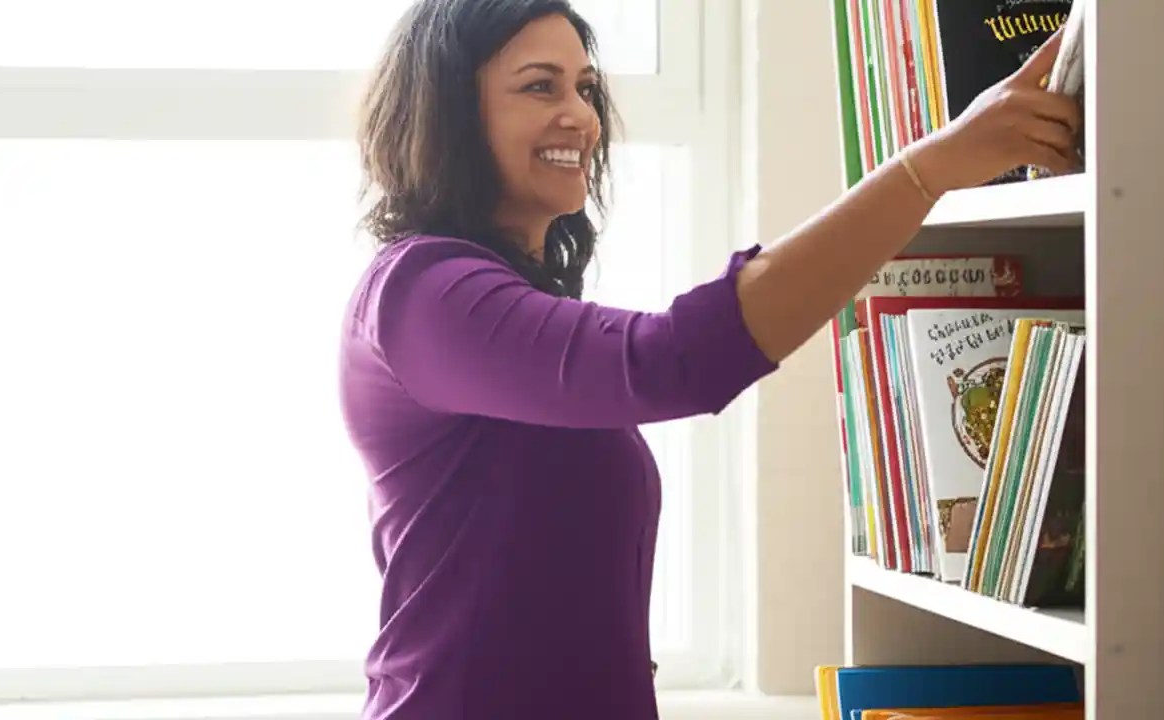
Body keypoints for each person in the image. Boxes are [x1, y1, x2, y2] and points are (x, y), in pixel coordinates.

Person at [338, 1, 1079, 718]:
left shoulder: (495, 307)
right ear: (450, 113)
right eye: (540, 86)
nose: (581, 115)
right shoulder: (418, 295)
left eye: (586, 88)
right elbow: (667, 362)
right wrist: (929, 169)